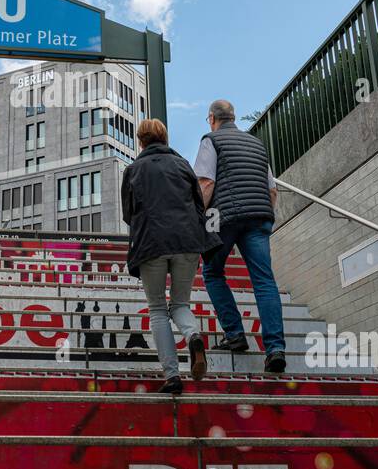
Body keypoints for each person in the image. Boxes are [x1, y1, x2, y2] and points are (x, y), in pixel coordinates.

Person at [121, 118, 219, 394]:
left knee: (157, 308)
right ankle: (194, 336)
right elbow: (200, 204)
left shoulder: (133, 170)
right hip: (187, 241)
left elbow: (128, 214)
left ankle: (172, 376)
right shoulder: (182, 165)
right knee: (179, 304)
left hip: (151, 244)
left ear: (140, 141)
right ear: (164, 138)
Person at [194, 99, 287, 373]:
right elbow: (272, 189)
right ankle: (275, 349)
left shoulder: (210, 140)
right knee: (264, 281)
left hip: (226, 217)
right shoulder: (257, 144)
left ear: (212, 118)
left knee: (212, 272)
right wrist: (265, 218)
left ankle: (235, 334)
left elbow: (206, 182)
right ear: (233, 117)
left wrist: (198, 217)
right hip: (259, 217)